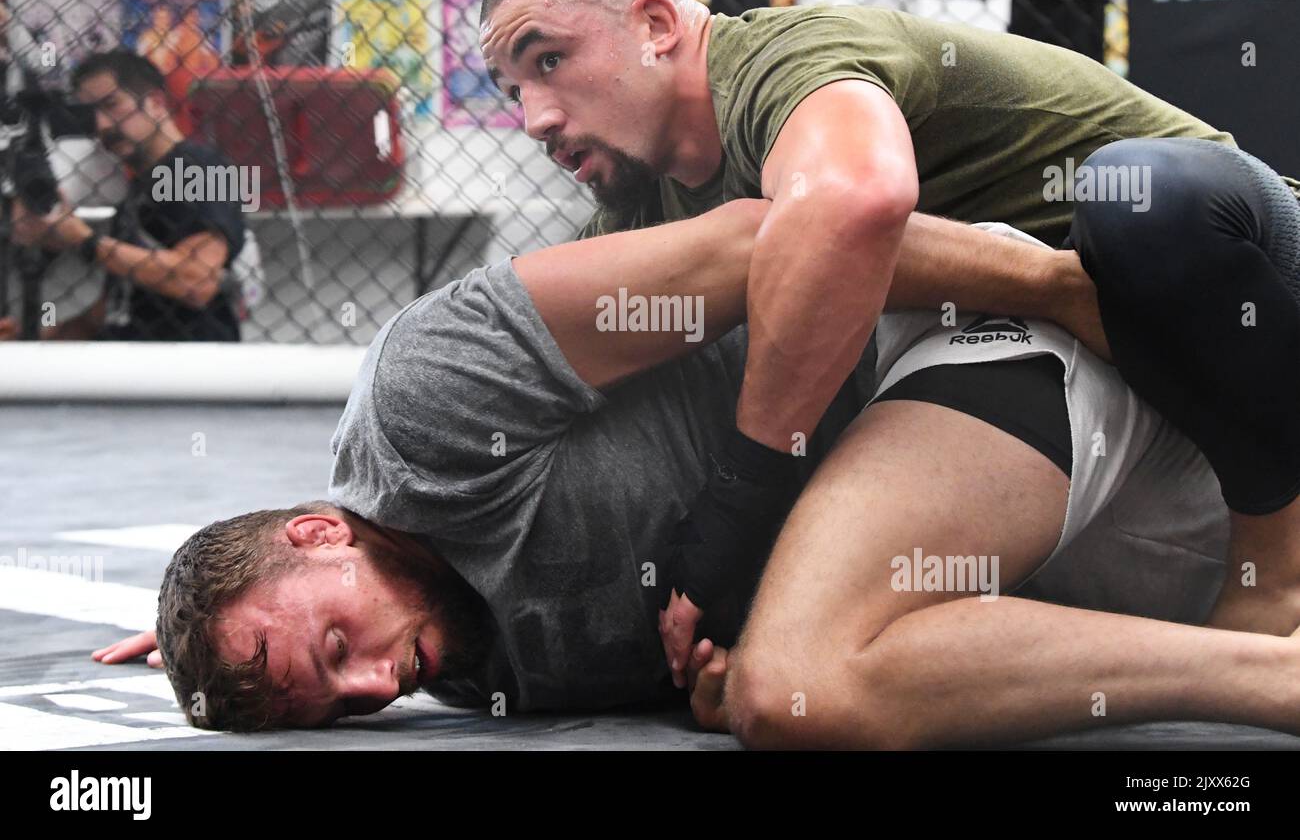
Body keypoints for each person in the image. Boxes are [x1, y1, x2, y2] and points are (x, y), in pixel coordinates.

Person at [94, 201, 1299, 745]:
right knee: (779, 683)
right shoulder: (450, 667)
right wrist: (210, 634)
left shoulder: (427, 407)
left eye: (334, 646)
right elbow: (283, 612)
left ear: (317, 530)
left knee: (799, 684)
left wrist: (1061, 289)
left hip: (977, 361)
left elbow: (771, 241)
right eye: (334, 702)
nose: (369, 686)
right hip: (1034, 527)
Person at [474, 0, 1300, 678]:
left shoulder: (778, 63)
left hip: (1252, 273)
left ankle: (1280, 570)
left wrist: (739, 508)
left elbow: (857, 199)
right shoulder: (639, 208)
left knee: (1138, 197)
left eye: (548, 60)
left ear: (657, 26)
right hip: (1126, 404)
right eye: (513, 92)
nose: (536, 118)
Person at [0, 50, 246, 341]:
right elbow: (111, 310)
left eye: (112, 104)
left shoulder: (197, 166)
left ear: (155, 103)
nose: (102, 125)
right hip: (133, 364)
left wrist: (81, 238)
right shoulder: (136, 188)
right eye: (92, 113)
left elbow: (196, 281)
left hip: (184, 371)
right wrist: (32, 340)